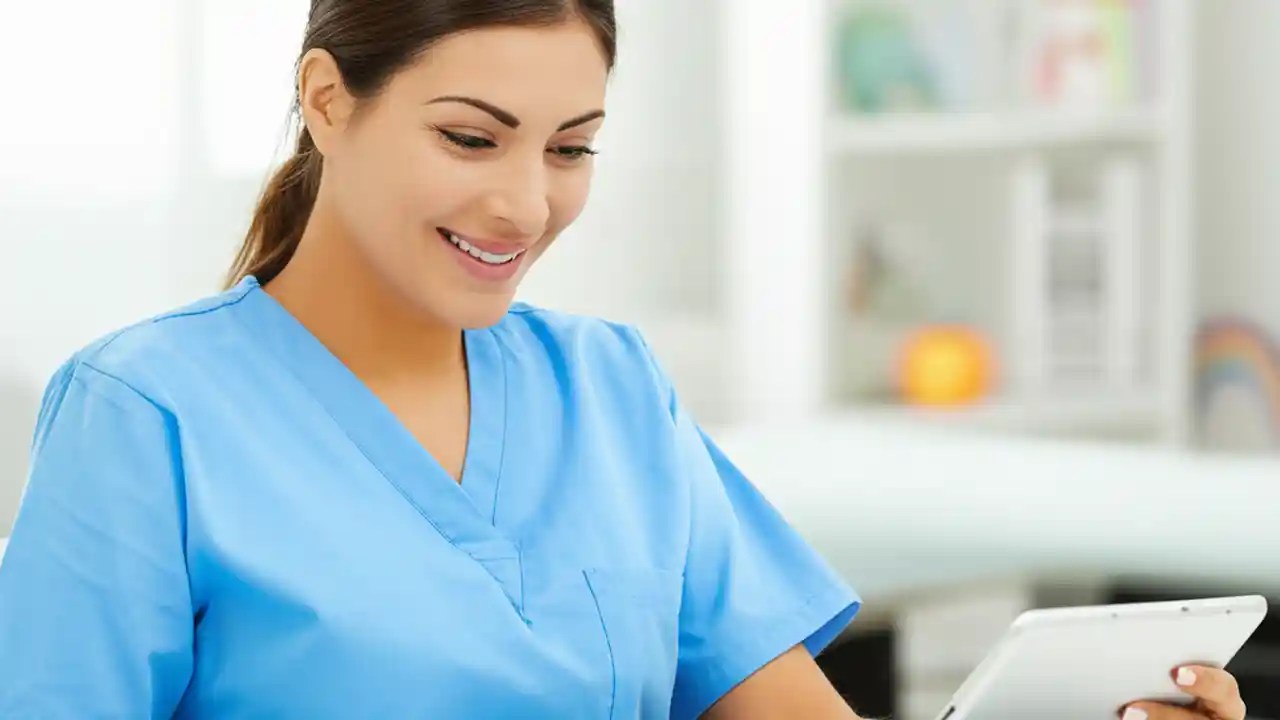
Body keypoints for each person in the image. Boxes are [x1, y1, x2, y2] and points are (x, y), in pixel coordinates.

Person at [0, 2, 1249, 719]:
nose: (523, 206)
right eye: (471, 137)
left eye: (570, 148)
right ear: (327, 100)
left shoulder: (610, 391)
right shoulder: (143, 414)